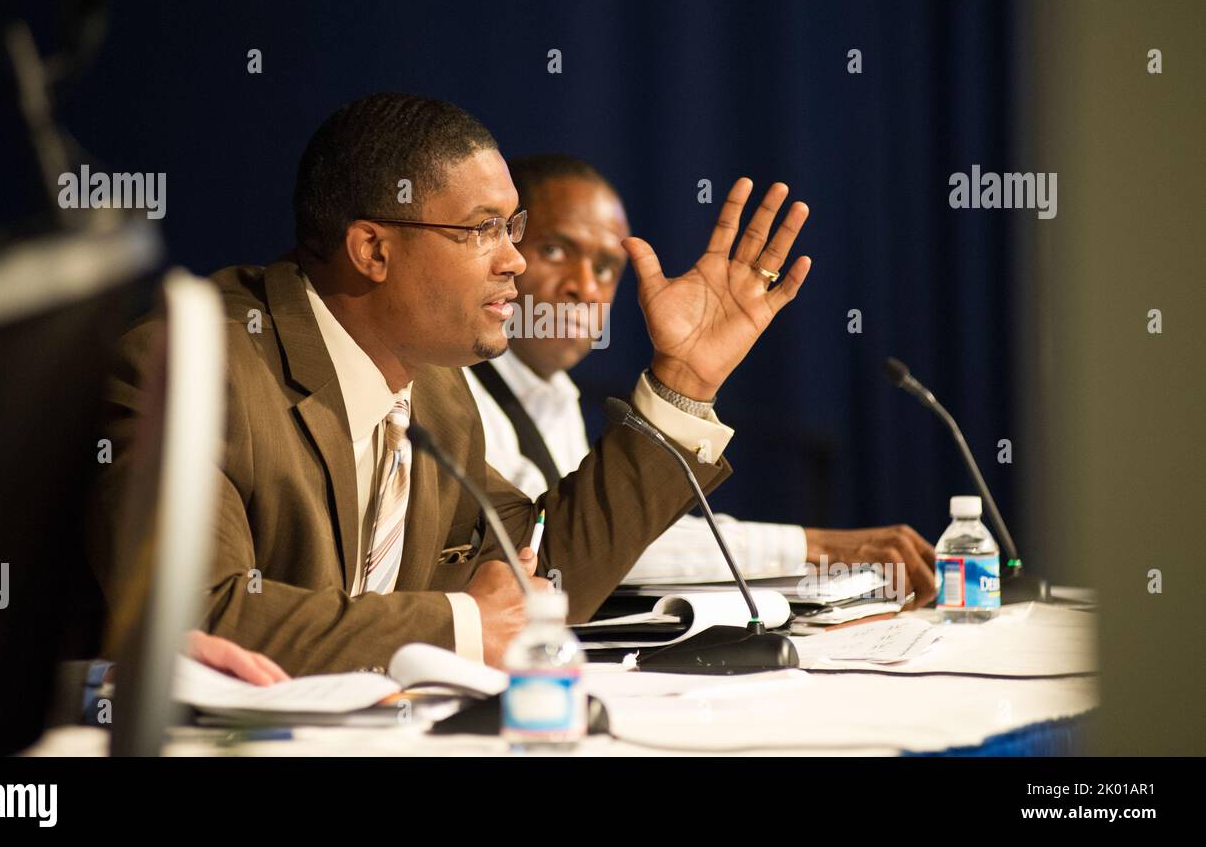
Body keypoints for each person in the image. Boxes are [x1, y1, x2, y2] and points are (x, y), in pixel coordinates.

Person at [91, 92, 812, 675]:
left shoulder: (437, 391)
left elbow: (540, 564)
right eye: (483, 230)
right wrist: (460, 622)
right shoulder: (192, 370)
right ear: (372, 247)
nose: (517, 262)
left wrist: (680, 382)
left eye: (514, 227)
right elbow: (192, 619)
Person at [465, 154, 935, 604]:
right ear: (502, 247)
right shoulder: (450, 394)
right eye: (554, 249)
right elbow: (554, 549)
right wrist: (810, 547)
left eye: (606, 268)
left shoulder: (554, 395)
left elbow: (608, 535)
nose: (584, 287)